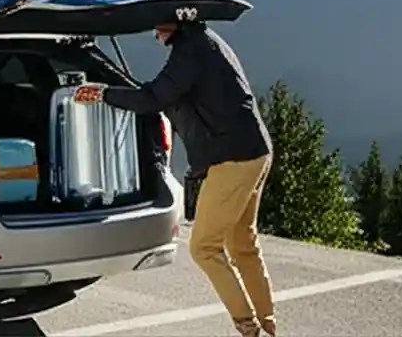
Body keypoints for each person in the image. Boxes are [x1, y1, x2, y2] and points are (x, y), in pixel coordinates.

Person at [73, 17, 277, 337]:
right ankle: (268, 322)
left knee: (204, 247)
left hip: (232, 158)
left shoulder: (190, 52)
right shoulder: (205, 42)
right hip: (255, 150)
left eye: (159, 25)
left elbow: (153, 99)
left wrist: (102, 94)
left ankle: (247, 326)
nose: (155, 33)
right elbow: (161, 93)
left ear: (177, 20)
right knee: (242, 243)